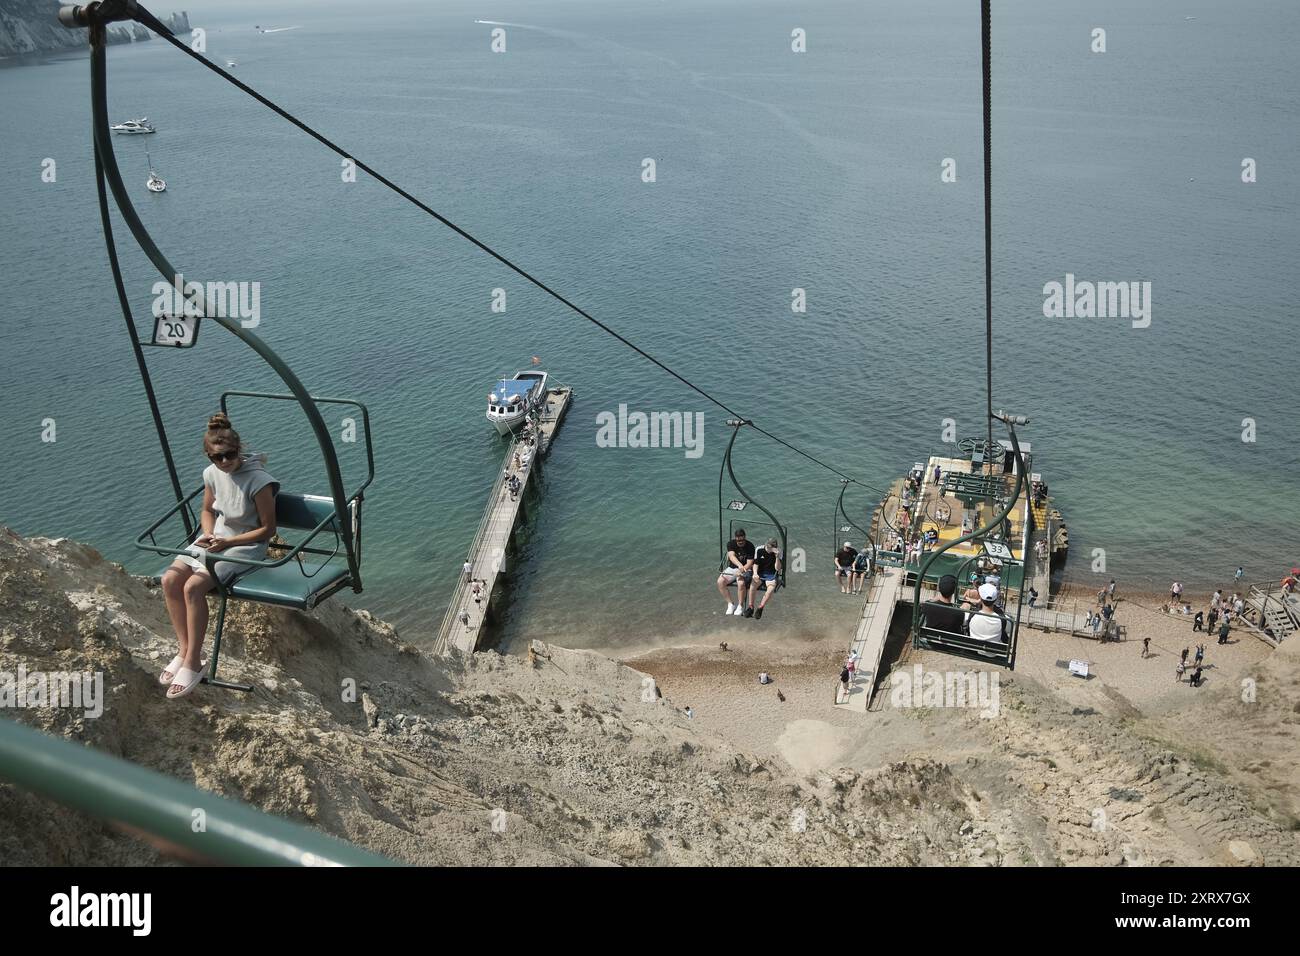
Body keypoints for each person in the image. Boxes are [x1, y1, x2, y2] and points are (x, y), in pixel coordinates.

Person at [161, 412, 278, 700]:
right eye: (217, 457)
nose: (225, 462)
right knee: (169, 580)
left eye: (229, 455)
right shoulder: (212, 475)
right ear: (209, 456)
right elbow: (207, 510)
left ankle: (193, 661)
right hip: (218, 539)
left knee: (193, 587)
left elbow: (267, 529)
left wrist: (227, 542)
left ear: (239, 450)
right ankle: (184, 649)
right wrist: (209, 532)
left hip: (245, 545)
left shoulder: (259, 481)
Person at [717, 528, 756, 615]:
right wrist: (739, 566)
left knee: (741, 583)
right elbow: (731, 556)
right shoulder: (731, 544)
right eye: (738, 541)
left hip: (746, 568)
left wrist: (742, 569)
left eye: (742, 540)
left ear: (745, 537)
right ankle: (730, 604)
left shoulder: (750, 546)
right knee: (720, 581)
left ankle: (740, 605)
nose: (740, 542)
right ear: (736, 539)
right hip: (734, 567)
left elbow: (750, 563)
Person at [965, 583, 1008, 651]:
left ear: (980, 598)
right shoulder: (1003, 619)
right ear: (995, 598)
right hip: (993, 653)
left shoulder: (972, 615)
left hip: (973, 650)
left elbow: (967, 630)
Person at [747, 538, 783, 618]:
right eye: (770, 547)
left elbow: (778, 569)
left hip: (771, 574)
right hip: (760, 573)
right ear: (766, 545)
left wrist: (777, 557)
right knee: (753, 585)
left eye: (773, 547)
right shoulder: (759, 549)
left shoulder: (779, 551)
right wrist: (755, 573)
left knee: (770, 589)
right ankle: (750, 607)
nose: (771, 549)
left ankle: (760, 607)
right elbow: (756, 564)